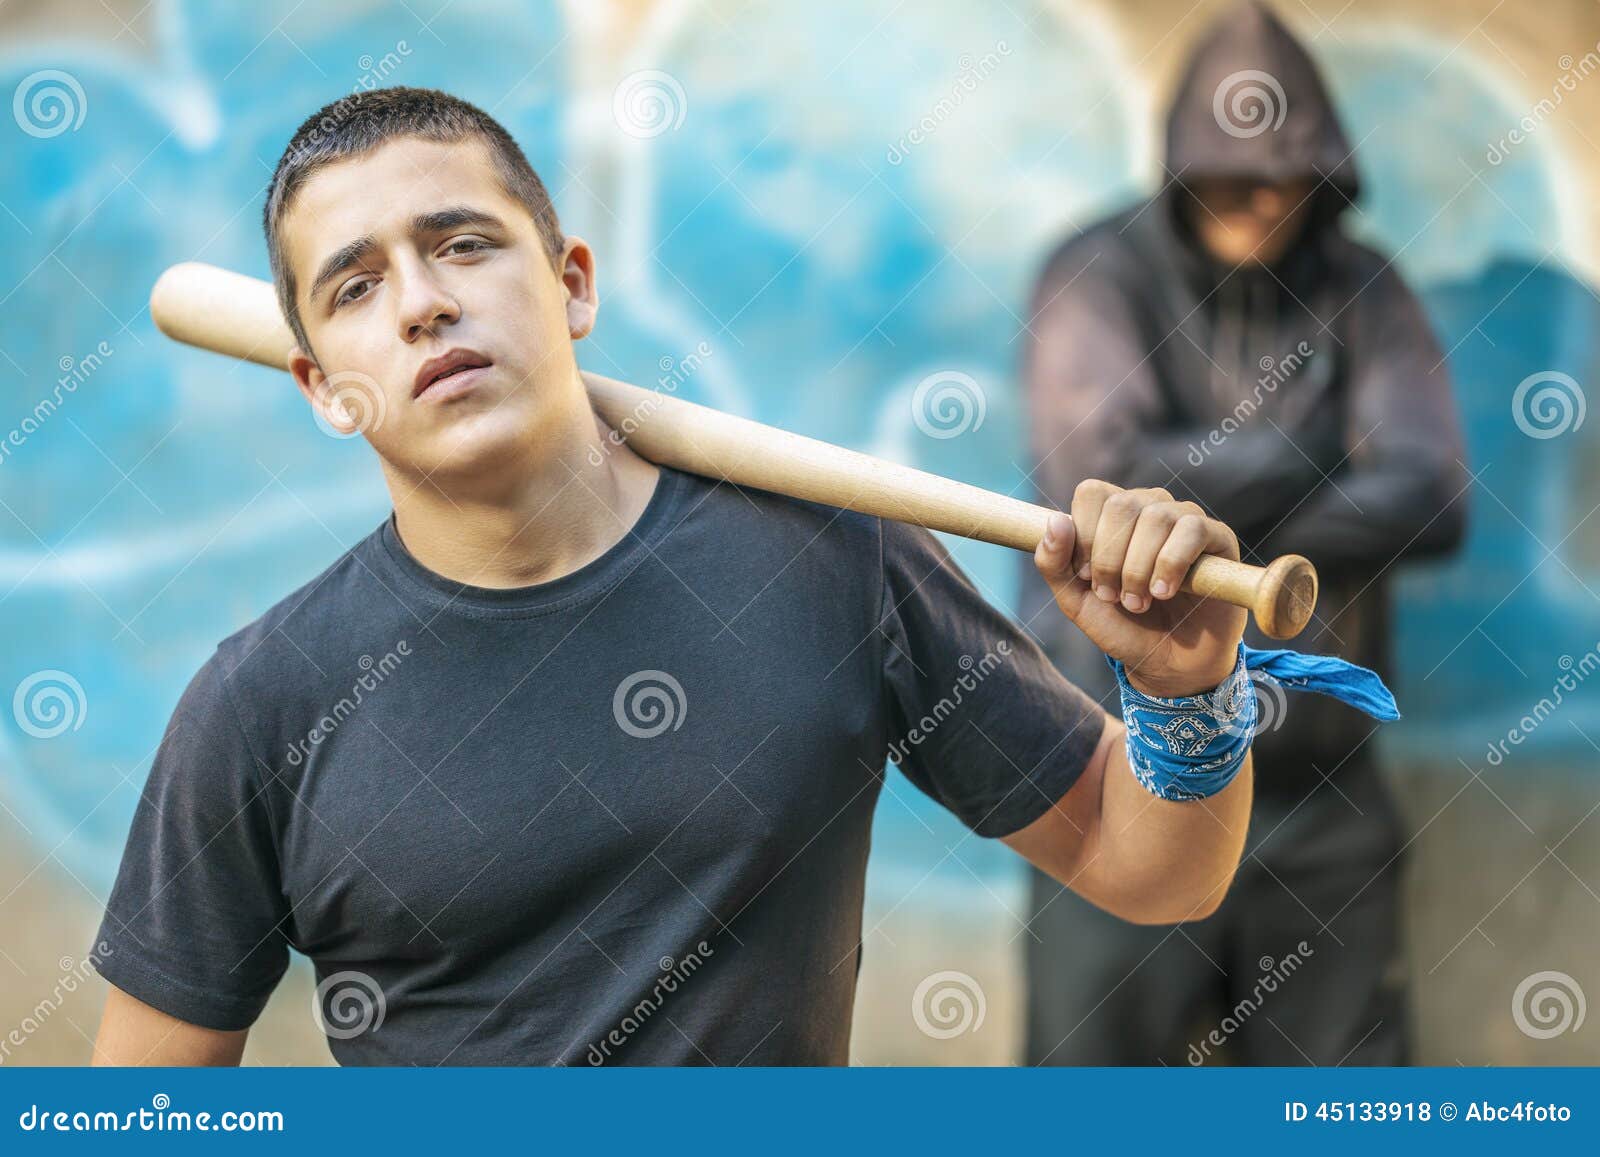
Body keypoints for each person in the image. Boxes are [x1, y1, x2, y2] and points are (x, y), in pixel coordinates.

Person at [88, 87, 1272, 1066]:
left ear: (572, 283)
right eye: (354, 286)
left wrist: (1184, 692)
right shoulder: (262, 705)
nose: (422, 302)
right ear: (320, 387)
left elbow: (1146, 864)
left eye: (462, 243)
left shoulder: (828, 558)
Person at [1016, 2, 1467, 1066]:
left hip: (1319, 793)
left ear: (1326, 172)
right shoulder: (1095, 272)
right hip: (1118, 772)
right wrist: (1318, 447)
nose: (1259, 196)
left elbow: (1432, 494)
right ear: (1180, 169)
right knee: (1088, 1097)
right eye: (1226, 173)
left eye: (1285, 172)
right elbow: (1102, 481)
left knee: (1348, 1105)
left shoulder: (1362, 287)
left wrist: (1203, 528)